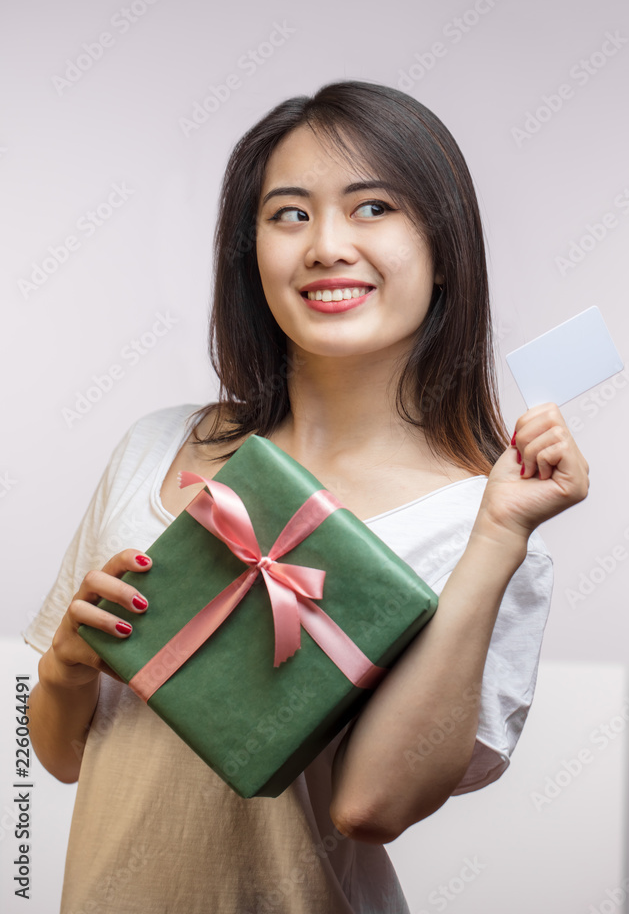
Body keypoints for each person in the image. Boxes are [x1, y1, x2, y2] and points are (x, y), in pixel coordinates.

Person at [25, 79, 589, 914]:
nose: (325, 245)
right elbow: (65, 755)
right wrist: (70, 663)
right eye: (289, 214)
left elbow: (371, 809)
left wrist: (499, 535)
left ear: (442, 252)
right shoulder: (155, 447)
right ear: (250, 253)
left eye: (372, 209)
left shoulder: (478, 527)